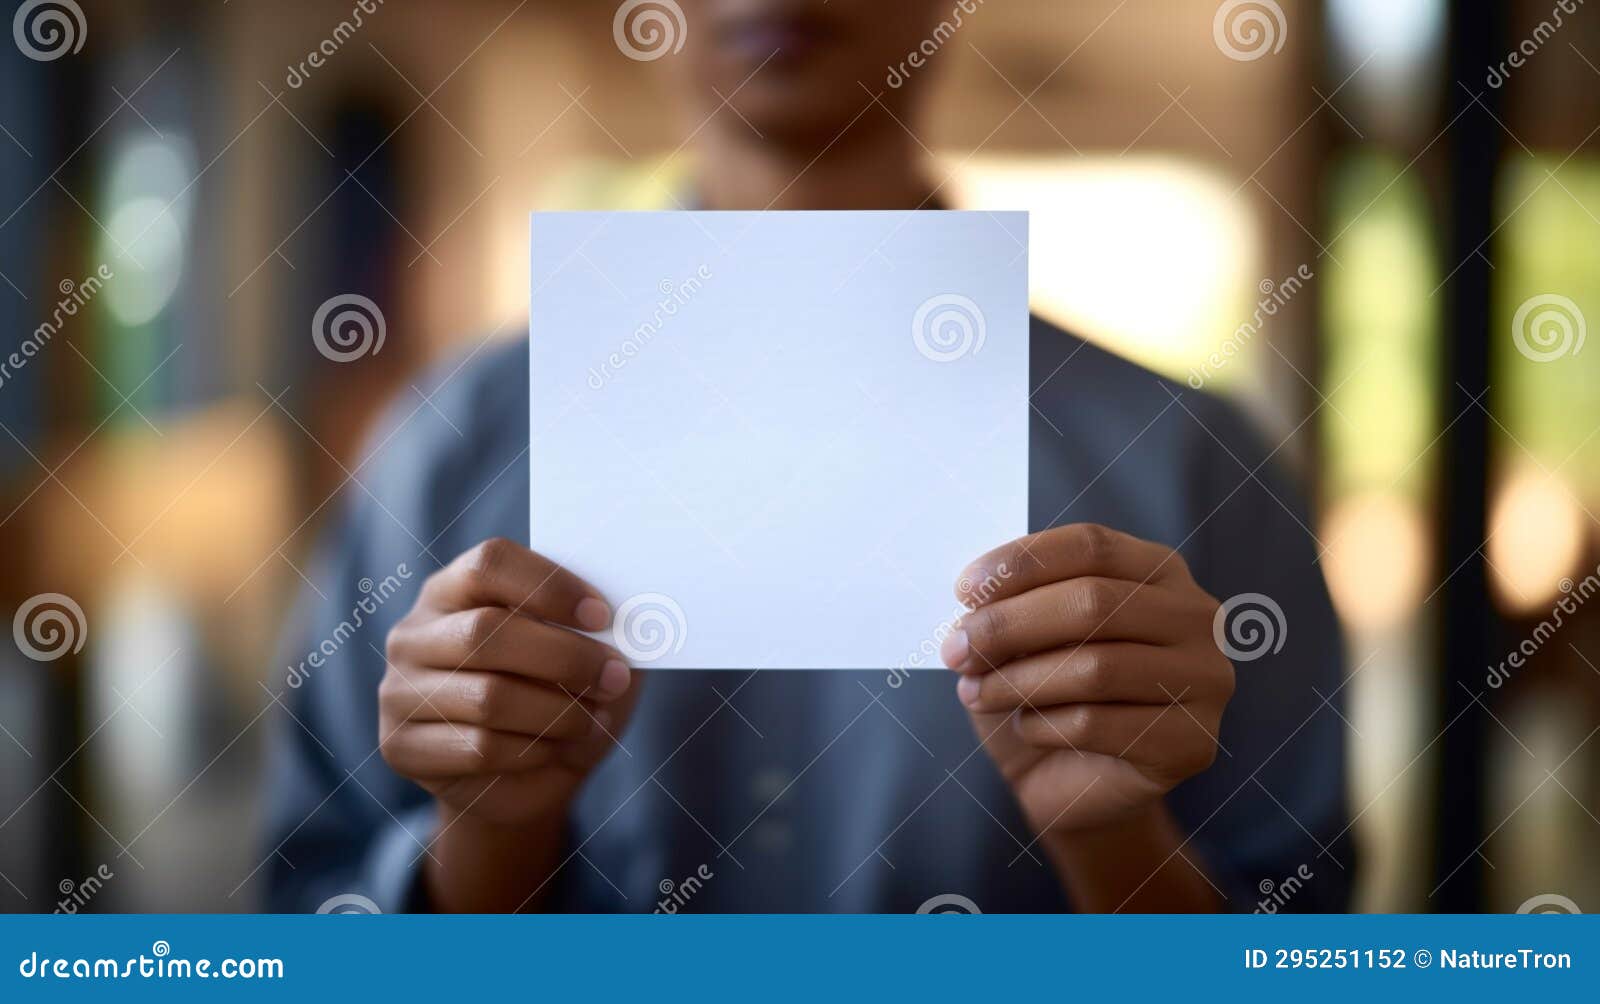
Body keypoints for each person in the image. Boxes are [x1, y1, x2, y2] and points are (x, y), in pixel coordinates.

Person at [263, 0, 1350, 913]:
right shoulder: (446, 443)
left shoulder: (1196, 460)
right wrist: (484, 833)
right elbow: (303, 904)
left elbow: (1301, 933)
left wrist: (1114, 836)